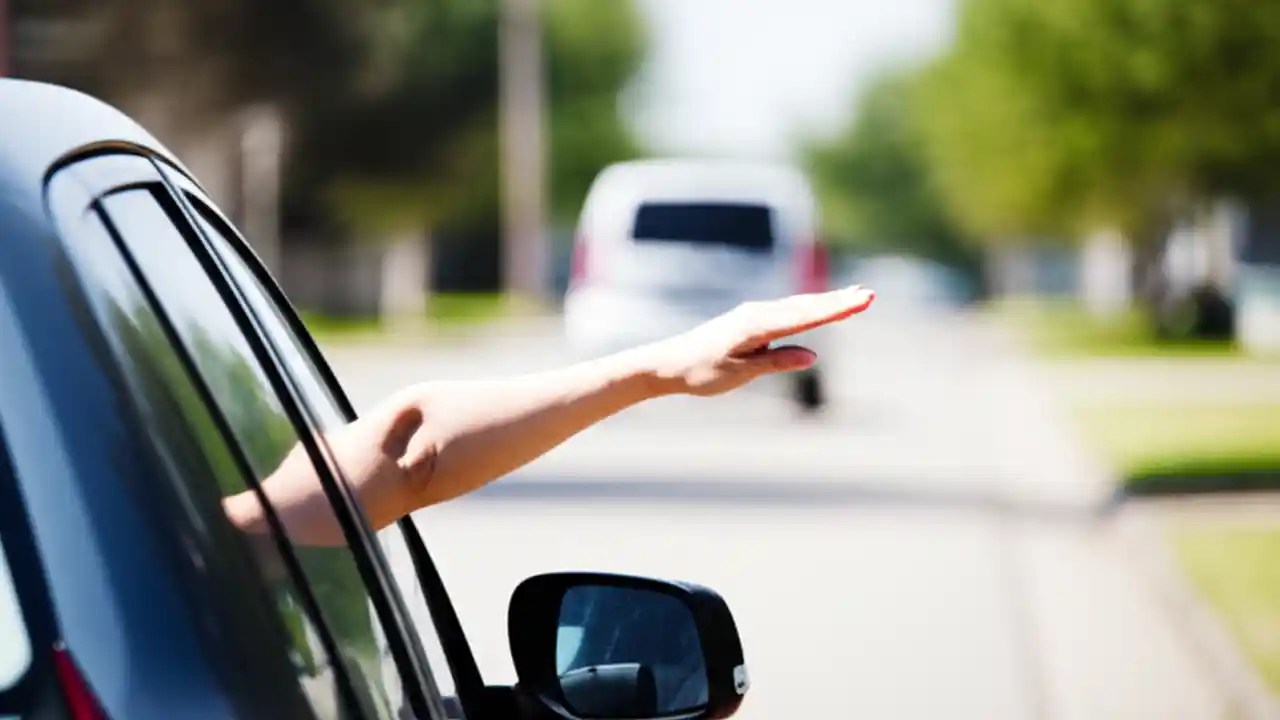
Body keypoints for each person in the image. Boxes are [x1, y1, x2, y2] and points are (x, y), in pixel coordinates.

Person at [224, 285, 875, 544]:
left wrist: (655, 370)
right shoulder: (186, 548)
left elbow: (410, 453)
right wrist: (654, 370)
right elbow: (407, 457)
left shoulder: (192, 549)